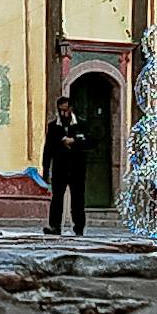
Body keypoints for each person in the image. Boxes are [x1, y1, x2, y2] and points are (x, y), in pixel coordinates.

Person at [43, 98, 89, 238]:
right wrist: (45, 170)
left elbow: (90, 142)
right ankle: (55, 226)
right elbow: (48, 150)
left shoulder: (81, 124)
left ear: (70, 109)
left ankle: (79, 227)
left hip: (77, 168)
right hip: (59, 168)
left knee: (77, 199)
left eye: (65, 110)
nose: (63, 113)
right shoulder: (53, 127)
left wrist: (75, 141)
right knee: (57, 198)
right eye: (60, 110)